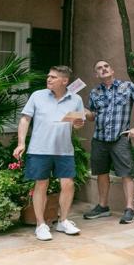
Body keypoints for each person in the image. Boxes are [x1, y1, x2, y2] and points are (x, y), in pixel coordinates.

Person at [13, 64, 88, 241]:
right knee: (41, 184)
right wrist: (21, 143)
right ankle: (41, 224)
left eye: (53, 77)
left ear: (64, 80)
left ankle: (63, 221)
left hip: (64, 150)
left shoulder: (75, 99)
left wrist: (78, 124)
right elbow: (25, 119)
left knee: (68, 184)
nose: (48, 79)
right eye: (48, 76)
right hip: (39, 149)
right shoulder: (37, 96)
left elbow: (77, 124)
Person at [82, 59, 134, 224]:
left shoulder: (127, 87)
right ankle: (103, 206)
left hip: (120, 138)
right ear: (96, 74)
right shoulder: (94, 92)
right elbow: (91, 116)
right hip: (99, 139)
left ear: (112, 70)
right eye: (99, 68)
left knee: (126, 173)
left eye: (106, 66)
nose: (103, 69)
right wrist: (81, 110)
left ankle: (129, 209)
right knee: (101, 172)